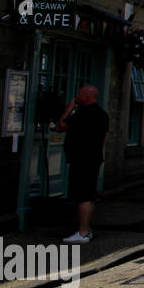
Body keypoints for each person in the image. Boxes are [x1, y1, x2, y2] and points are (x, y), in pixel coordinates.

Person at [57, 84, 108, 243]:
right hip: (94, 158)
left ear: (86, 96)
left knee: (83, 196)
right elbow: (103, 138)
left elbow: (60, 126)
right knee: (89, 195)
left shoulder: (82, 113)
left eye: (79, 94)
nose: (77, 96)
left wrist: (70, 107)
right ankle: (86, 230)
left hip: (82, 159)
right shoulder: (102, 114)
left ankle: (83, 232)